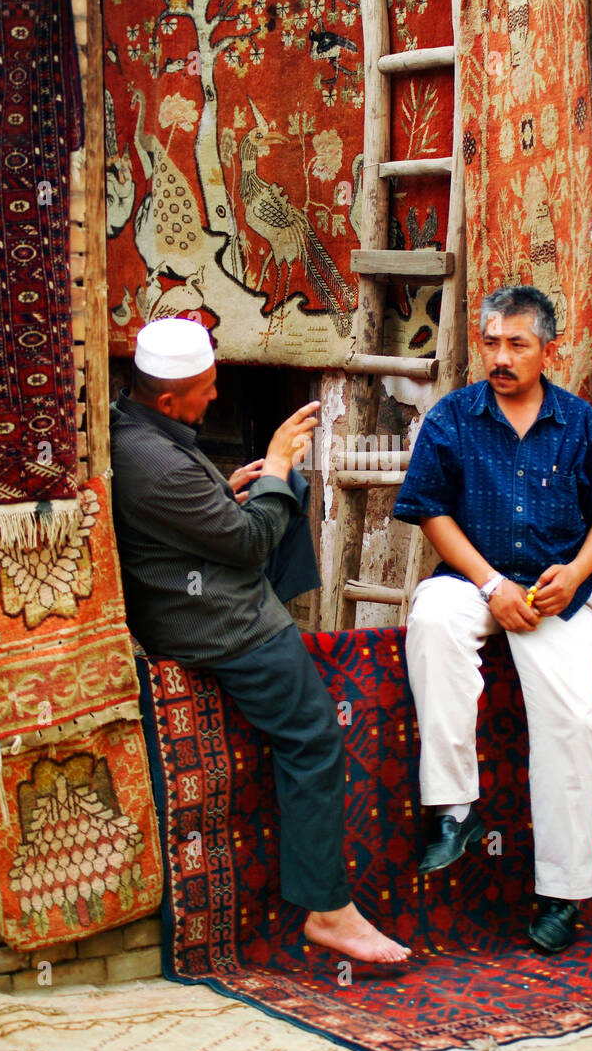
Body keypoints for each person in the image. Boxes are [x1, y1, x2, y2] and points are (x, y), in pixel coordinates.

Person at [110, 317, 409, 965]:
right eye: (208, 388)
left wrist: (228, 489)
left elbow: (190, 514)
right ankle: (329, 910)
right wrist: (274, 467)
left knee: (280, 489)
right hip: (219, 621)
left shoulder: (133, 427)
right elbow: (244, 542)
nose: (216, 396)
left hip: (197, 591)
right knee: (315, 737)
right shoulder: (154, 464)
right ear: (169, 401)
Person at [392, 286, 592, 953]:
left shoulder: (582, 423)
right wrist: (491, 582)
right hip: (477, 580)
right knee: (432, 620)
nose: (500, 357)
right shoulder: (453, 417)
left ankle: (561, 895)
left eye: (516, 344)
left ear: (547, 349)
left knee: (574, 721)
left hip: (558, 591)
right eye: (492, 342)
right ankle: (452, 808)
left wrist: (577, 573)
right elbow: (429, 508)